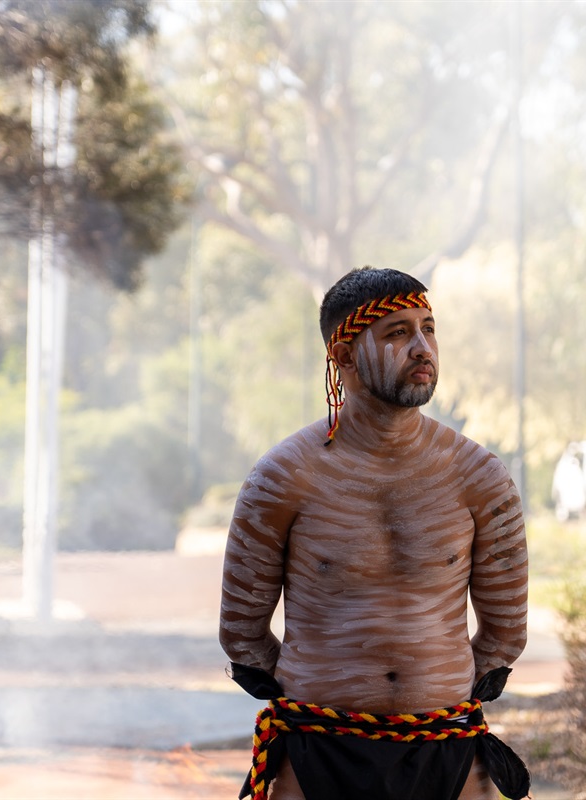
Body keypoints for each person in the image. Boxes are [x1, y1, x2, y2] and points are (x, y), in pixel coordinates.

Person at [219, 266, 530, 800]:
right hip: (318, 748)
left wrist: (430, 685)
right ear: (342, 358)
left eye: (428, 329)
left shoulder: (478, 476)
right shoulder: (283, 478)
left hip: (446, 744)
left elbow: (504, 635)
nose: (422, 347)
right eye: (396, 333)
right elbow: (242, 635)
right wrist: (329, 686)